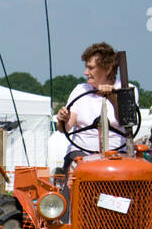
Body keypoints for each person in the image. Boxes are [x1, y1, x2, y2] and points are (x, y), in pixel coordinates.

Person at [55, 41, 132, 178]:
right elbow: (65, 128)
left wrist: (112, 98)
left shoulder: (125, 89)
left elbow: (126, 121)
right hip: (81, 154)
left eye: (90, 68)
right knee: (80, 172)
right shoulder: (80, 90)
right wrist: (62, 119)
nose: (86, 72)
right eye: (86, 67)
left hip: (118, 155)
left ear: (107, 69)